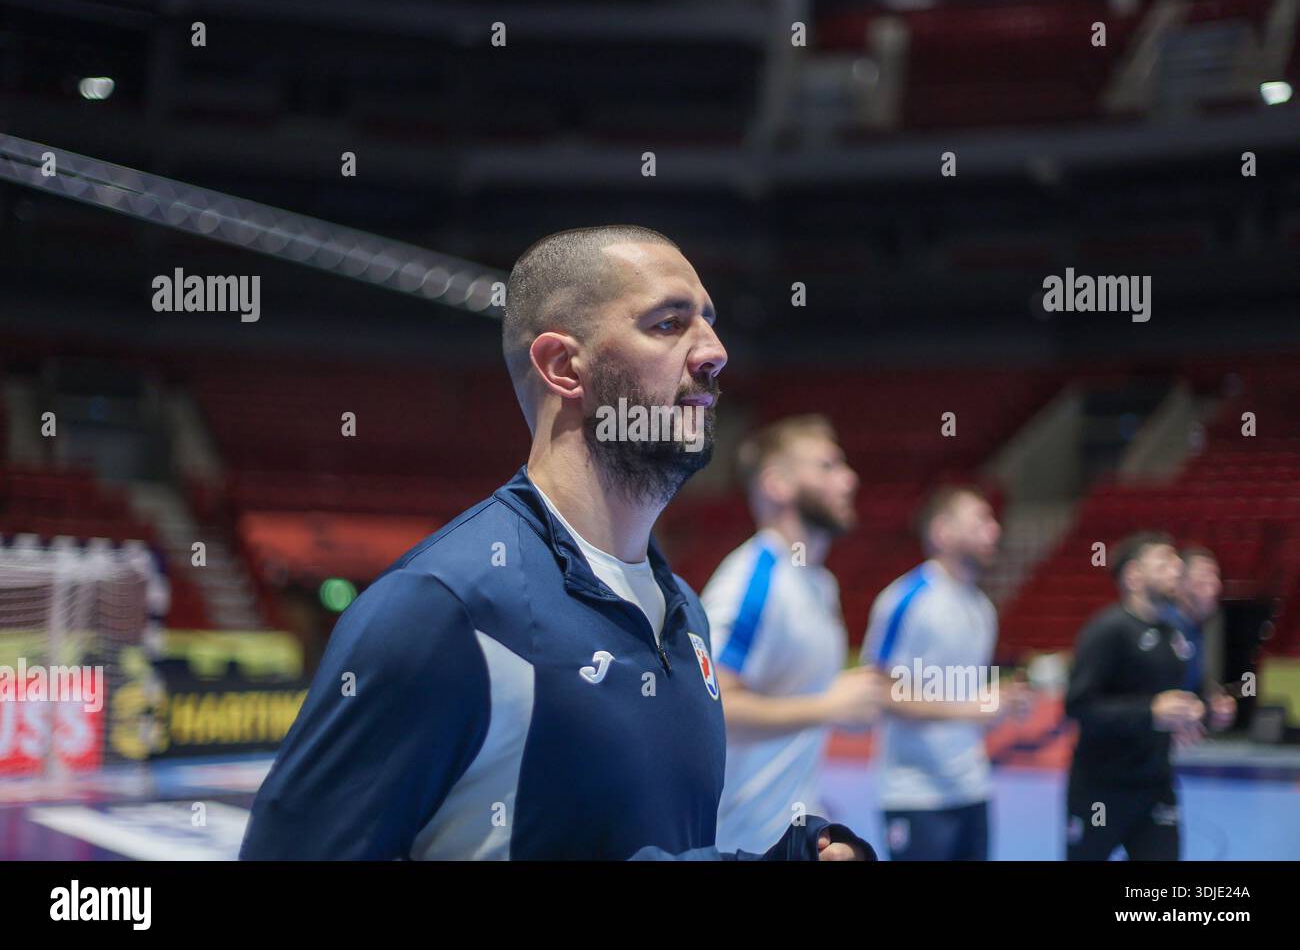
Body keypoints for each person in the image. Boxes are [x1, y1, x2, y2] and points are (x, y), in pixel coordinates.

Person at [240, 224, 871, 861]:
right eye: (668, 324)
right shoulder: (445, 608)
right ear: (565, 367)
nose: (715, 352)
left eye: (709, 321)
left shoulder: (683, 609)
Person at [701, 414, 884, 853]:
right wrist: (829, 706)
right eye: (827, 466)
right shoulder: (750, 580)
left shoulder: (821, 584)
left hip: (794, 835)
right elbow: (712, 711)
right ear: (777, 484)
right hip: (738, 841)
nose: (849, 479)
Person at [861, 486, 1022, 861]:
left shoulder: (983, 608)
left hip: (973, 787)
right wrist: (972, 710)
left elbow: (961, 693)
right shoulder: (907, 598)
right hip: (914, 793)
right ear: (942, 531)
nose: (994, 530)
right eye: (981, 520)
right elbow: (877, 689)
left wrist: (1000, 703)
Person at [1065, 532, 1214, 861]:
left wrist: (1202, 713)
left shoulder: (1176, 636)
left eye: (1176, 561)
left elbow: (1179, 702)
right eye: (1163, 561)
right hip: (1101, 788)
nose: (1176, 568)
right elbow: (1078, 706)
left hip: (1156, 786)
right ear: (1133, 576)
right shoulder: (1107, 630)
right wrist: (1150, 713)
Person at [1165, 546, 1237, 732]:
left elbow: (1189, 693)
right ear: (1178, 584)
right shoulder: (1160, 627)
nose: (1214, 585)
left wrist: (1211, 708)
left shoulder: (1195, 631)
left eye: (1216, 577)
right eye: (1204, 577)